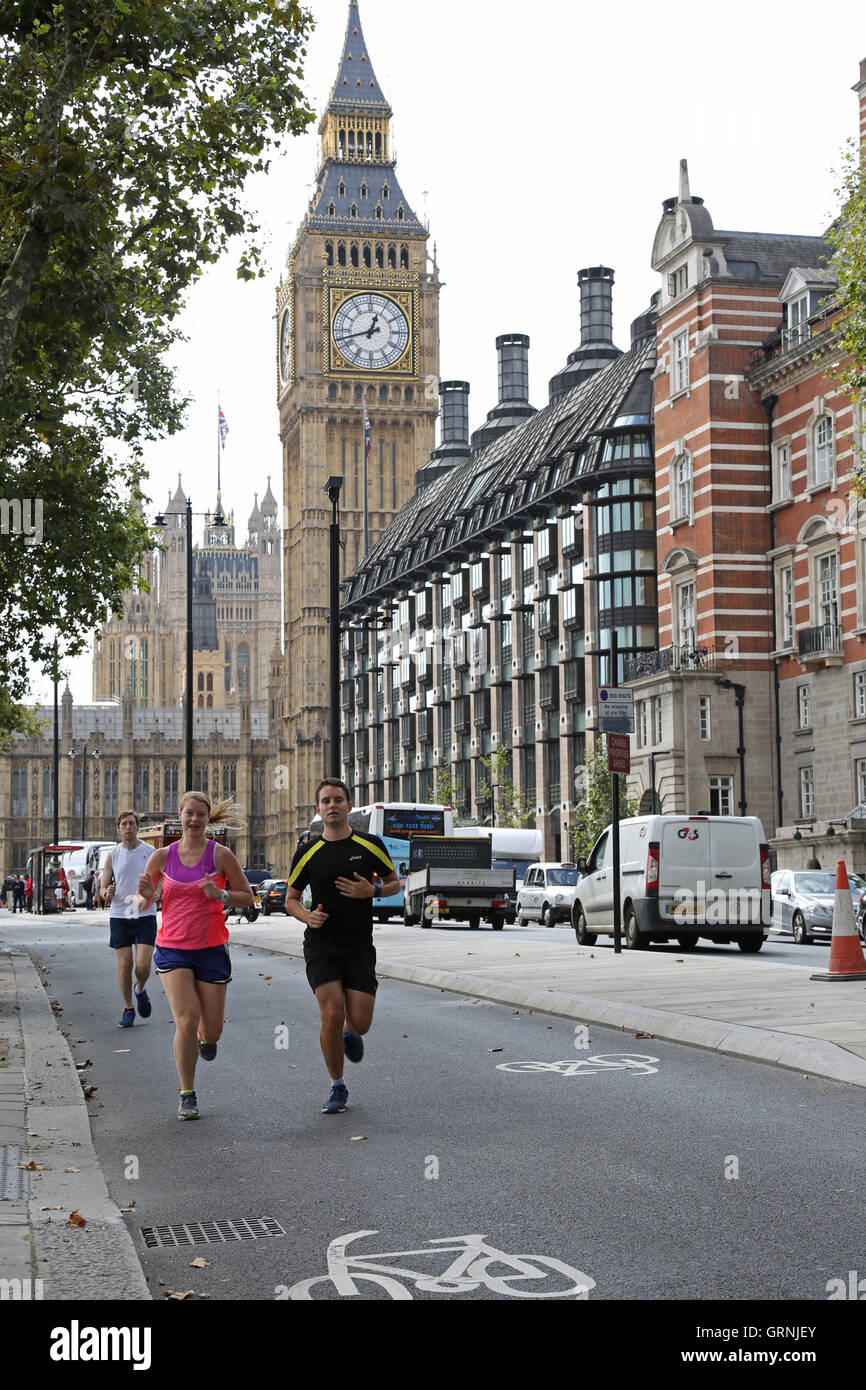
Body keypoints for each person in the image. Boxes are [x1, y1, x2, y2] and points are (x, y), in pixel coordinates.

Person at [285, 778, 400, 1116]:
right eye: (326, 800)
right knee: (332, 1013)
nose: (332, 805)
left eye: (338, 799)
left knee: (360, 1022)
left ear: (349, 806)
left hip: (359, 945)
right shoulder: (307, 851)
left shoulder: (370, 844)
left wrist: (373, 892)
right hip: (321, 945)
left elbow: (394, 883)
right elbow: (290, 900)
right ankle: (337, 1086)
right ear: (317, 810)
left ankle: (351, 1032)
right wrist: (307, 917)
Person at [136, 792, 252, 1121]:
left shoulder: (221, 855)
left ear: (207, 819)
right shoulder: (161, 857)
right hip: (173, 948)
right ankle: (187, 1094)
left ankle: (206, 1039)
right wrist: (143, 896)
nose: (195, 820)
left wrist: (223, 894)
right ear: (180, 816)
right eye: (189, 814)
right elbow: (142, 905)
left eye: (201, 815)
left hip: (211, 948)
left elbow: (248, 898)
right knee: (186, 1019)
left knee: (210, 1030)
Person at [100, 811, 158, 1028]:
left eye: (131, 824)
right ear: (118, 828)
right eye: (123, 824)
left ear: (137, 827)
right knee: (125, 965)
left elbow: (159, 880)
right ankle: (128, 1008)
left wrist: (157, 893)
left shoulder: (150, 852)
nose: (128, 828)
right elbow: (103, 887)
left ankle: (140, 989)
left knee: (142, 966)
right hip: (119, 915)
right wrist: (107, 893)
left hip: (144, 913)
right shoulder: (112, 855)